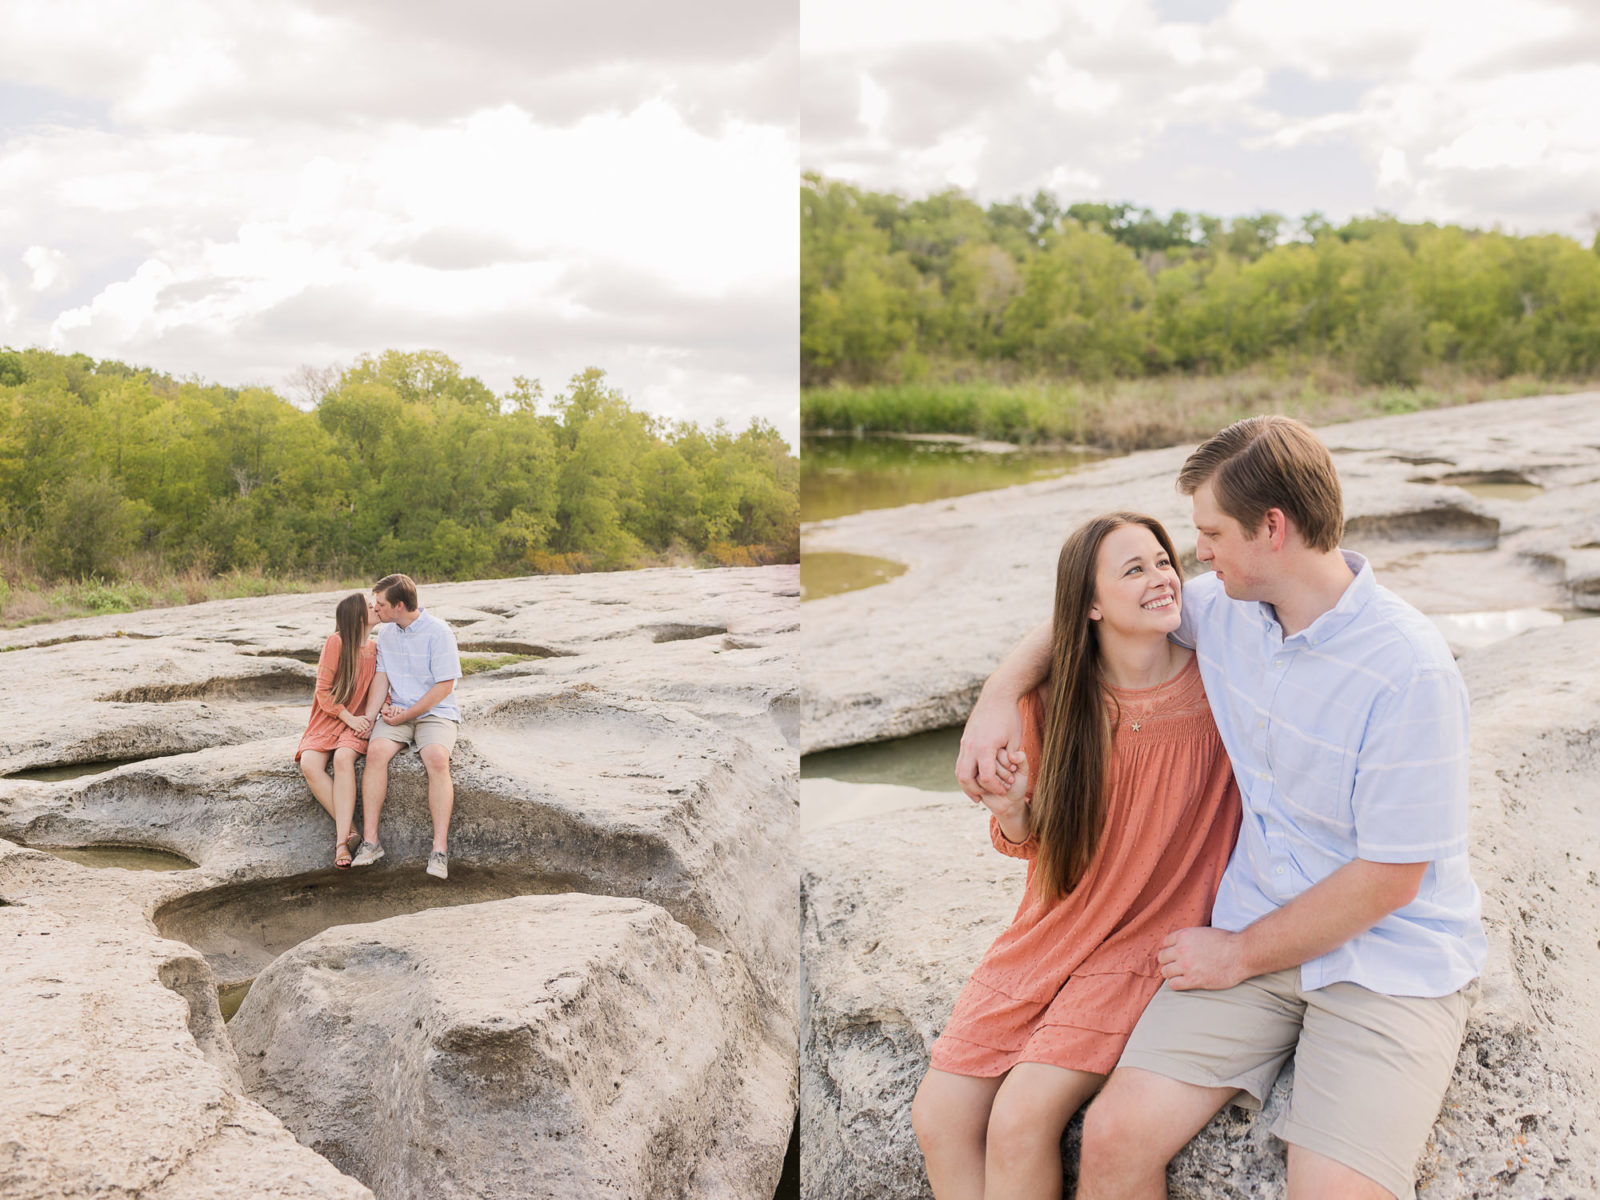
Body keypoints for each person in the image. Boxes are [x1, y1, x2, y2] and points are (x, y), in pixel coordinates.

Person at [957, 416, 1486, 1200]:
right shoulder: (1231, 605)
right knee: (1113, 1136)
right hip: (1250, 930)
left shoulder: (1407, 669)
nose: (1197, 553)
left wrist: (1235, 955)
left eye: (1211, 533)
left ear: (1272, 528)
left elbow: (1390, 879)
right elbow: (1088, 610)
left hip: (1388, 959)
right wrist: (998, 697)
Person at [912, 512, 1240, 1200]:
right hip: (1050, 932)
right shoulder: (1053, 702)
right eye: (1133, 570)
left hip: (1145, 942)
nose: (1160, 579)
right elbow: (1038, 845)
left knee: (1022, 1120)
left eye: (1162, 562)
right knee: (939, 1114)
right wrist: (1012, 812)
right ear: (1089, 606)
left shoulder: (1222, 682)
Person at [350, 573, 463, 880]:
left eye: (381, 604)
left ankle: (439, 850)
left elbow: (444, 686)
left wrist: (409, 713)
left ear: (399, 606)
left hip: (435, 712)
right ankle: (371, 843)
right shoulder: (386, 634)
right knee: (375, 754)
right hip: (397, 712)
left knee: (437, 759)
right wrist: (371, 717)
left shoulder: (439, 632)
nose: (376, 609)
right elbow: (382, 677)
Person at [295, 592, 378, 869]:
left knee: (343, 759)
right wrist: (347, 717)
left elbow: (384, 686)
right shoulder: (337, 642)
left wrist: (369, 717)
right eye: (369, 606)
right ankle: (351, 828)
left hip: (359, 720)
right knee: (309, 764)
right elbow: (322, 691)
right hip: (331, 716)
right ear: (358, 615)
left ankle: (342, 842)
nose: (376, 607)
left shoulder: (378, 647)